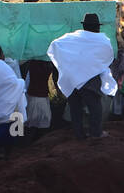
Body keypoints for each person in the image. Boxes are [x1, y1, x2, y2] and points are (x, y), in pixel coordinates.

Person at [47, 12, 115, 141]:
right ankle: (96, 133)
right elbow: (107, 57)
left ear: (85, 26)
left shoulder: (72, 37)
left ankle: (79, 134)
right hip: (89, 80)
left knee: (75, 108)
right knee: (95, 107)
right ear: (96, 27)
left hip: (72, 79)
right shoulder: (101, 40)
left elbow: (55, 44)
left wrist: (68, 63)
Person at [0, 44, 27, 158]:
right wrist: (21, 83)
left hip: (0, 101)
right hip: (7, 102)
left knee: (5, 127)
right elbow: (13, 83)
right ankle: (0, 148)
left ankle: (4, 150)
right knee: (8, 127)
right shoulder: (0, 66)